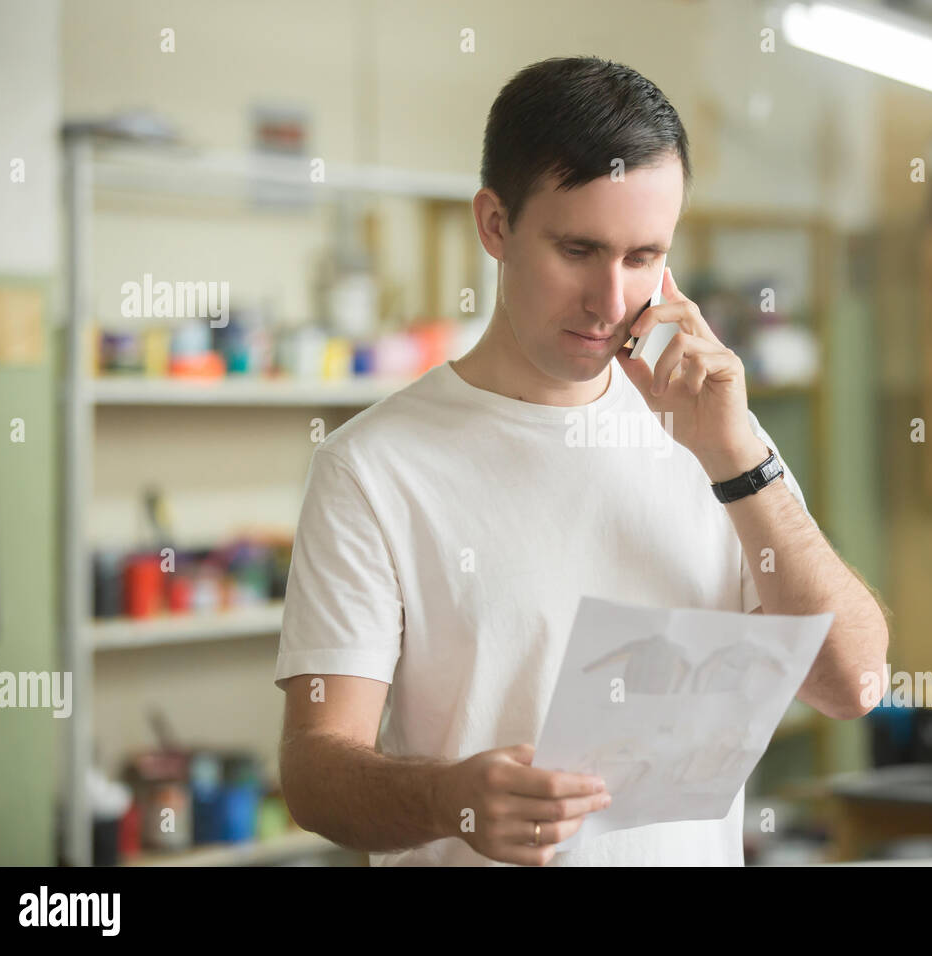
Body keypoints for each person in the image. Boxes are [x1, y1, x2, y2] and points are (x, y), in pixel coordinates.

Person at [275, 55, 889, 866]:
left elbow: (851, 684)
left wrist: (737, 456)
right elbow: (315, 771)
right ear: (494, 225)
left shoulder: (719, 439)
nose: (610, 301)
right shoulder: (372, 468)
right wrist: (448, 799)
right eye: (578, 249)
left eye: (643, 257)